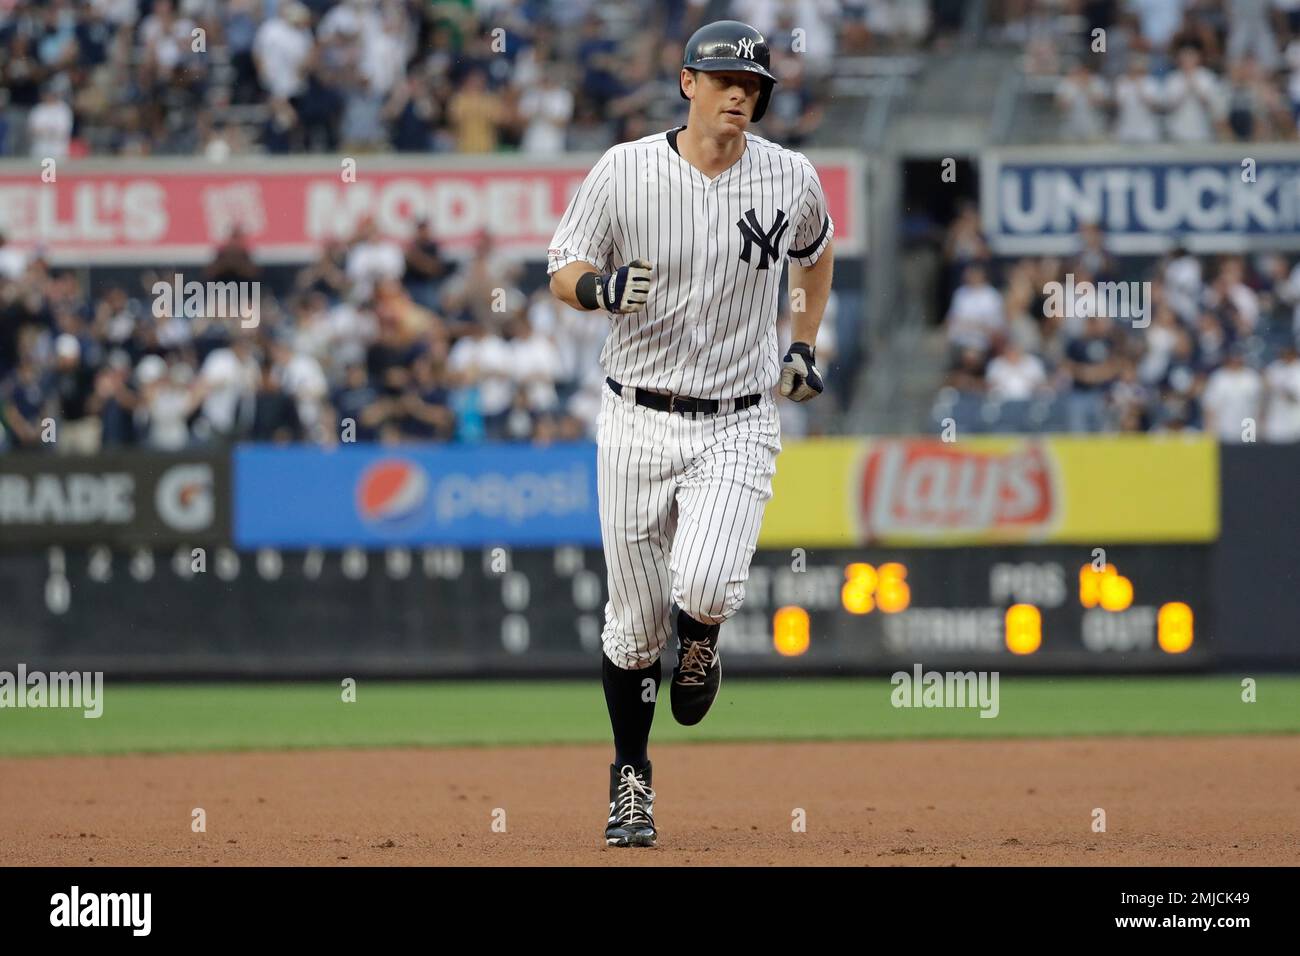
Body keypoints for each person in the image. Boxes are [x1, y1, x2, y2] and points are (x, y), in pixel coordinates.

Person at [546, 21, 834, 849]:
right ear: (687, 84)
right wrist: (599, 285)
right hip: (634, 415)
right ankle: (631, 780)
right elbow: (561, 265)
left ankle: (702, 642)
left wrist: (804, 343)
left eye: (753, 85)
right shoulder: (625, 170)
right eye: (724, 80)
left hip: (738, 415)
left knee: (704, 584)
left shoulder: (790, 175)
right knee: (633, 629)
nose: (740, 93)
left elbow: (815, 253)